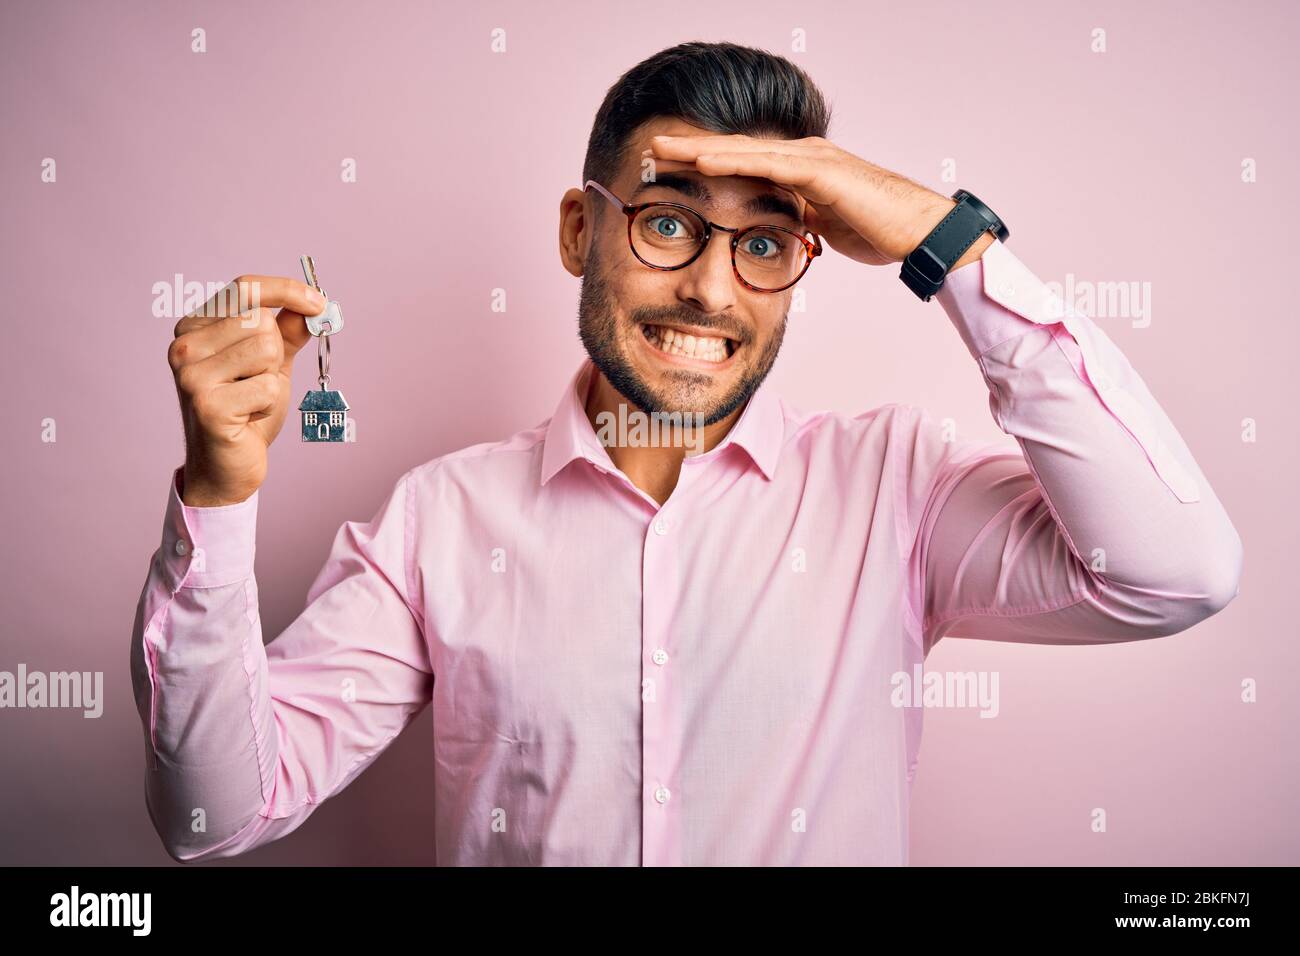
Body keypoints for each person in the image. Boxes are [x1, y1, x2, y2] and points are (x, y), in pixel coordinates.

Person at [131, 41, 1242, 866]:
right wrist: (220, 502)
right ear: (580, 229)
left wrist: (944, 242)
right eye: (667, 222)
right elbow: (212, 813)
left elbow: (1174, 572)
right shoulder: (441, 519)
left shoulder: (895, 490)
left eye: (763, 241)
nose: (712, 288)